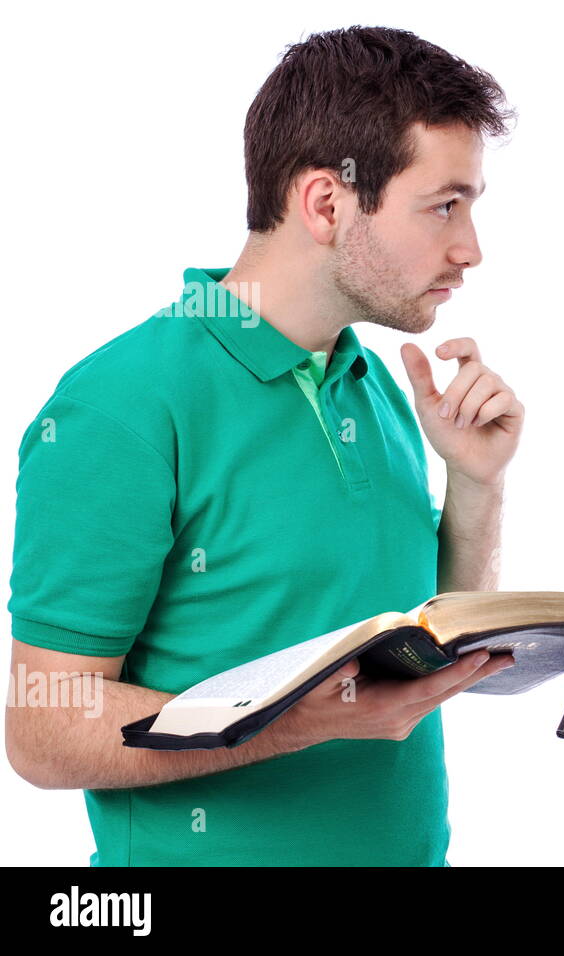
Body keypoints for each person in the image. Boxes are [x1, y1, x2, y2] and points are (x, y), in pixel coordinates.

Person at [6, 26, 522, 866]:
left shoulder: (375, 387)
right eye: (443, 205)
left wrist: (477, 483)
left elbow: (431, 646)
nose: (470, 248)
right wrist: (296, 725)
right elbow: (44, 727)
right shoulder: (122, 405)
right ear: (326, 204)